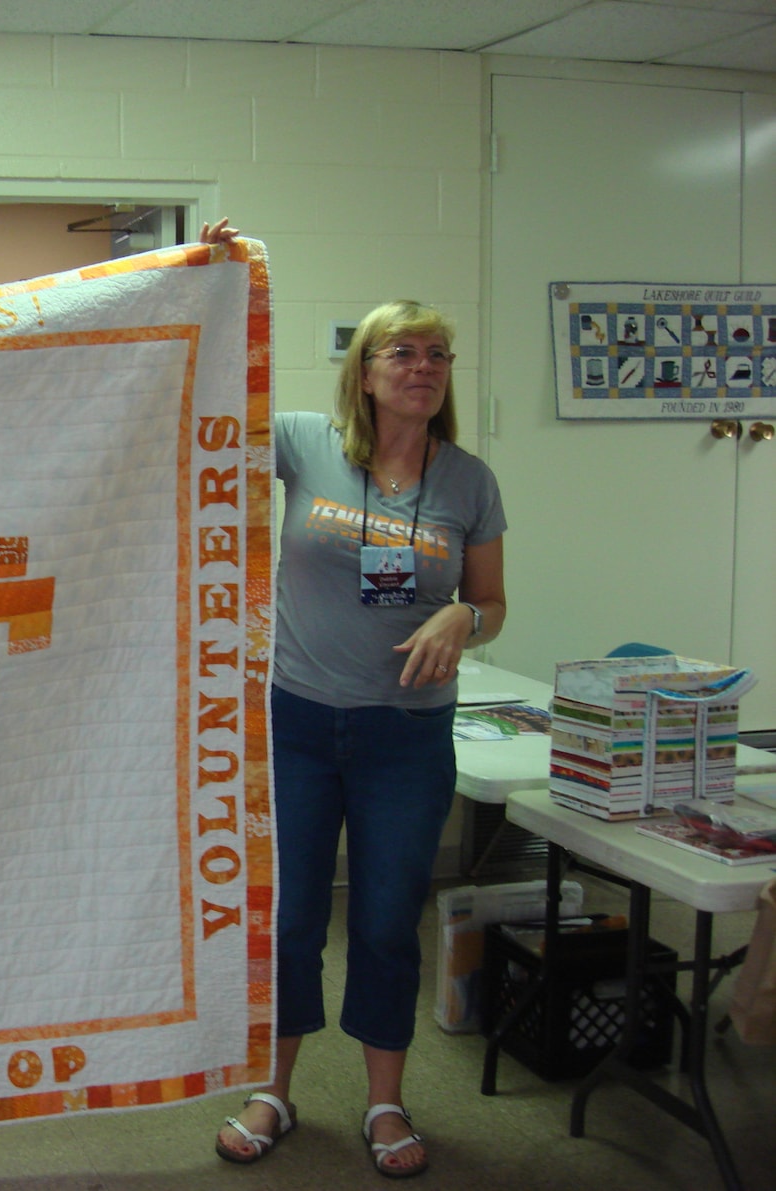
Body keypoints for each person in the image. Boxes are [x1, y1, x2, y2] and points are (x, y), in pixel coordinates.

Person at [202, 221, 507, 1179]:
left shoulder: (469, 481)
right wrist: (220, 284)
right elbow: (214, 394)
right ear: (365, 372)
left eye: (437, 354)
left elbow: (493, 602)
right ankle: (275, 1089)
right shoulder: (306, 445)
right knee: (292, 917)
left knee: (383, 916)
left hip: (406, 737)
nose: (423, 367)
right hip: (296, 721)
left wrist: (466, 616)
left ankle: (383, 1099)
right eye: (401, 352)